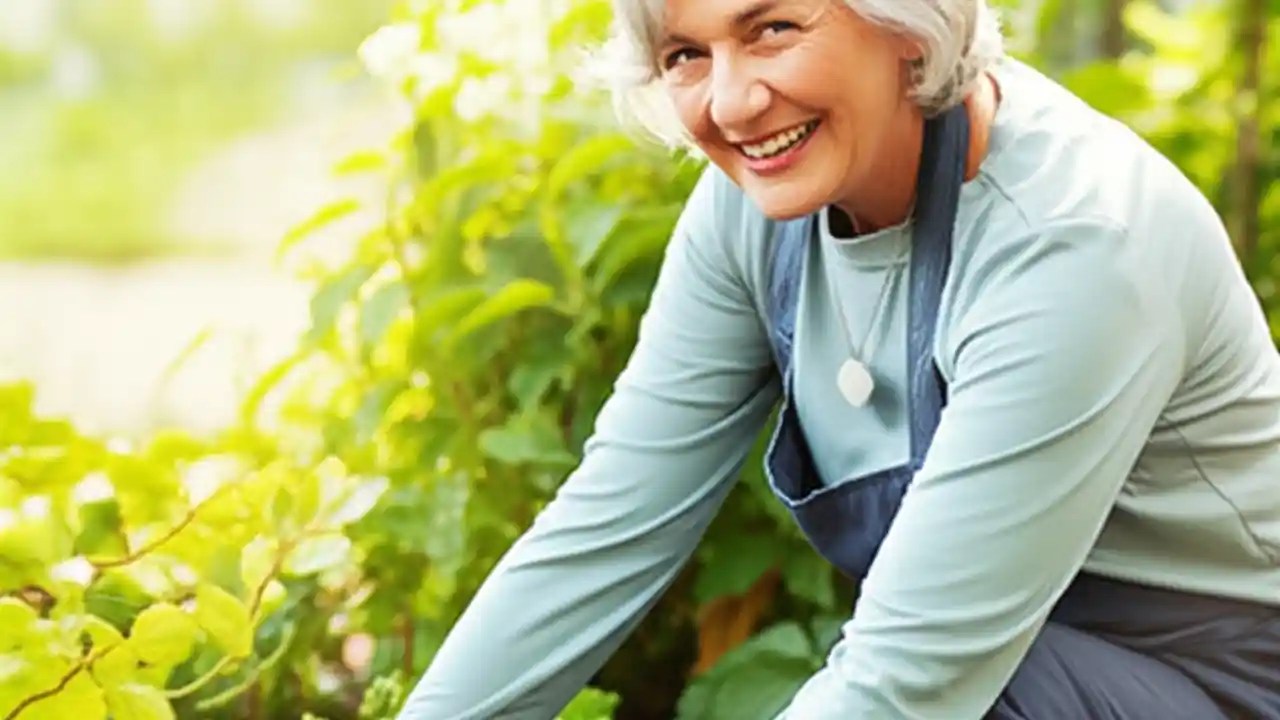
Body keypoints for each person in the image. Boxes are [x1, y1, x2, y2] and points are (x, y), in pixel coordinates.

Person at [398, 0, 1280, 717]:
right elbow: (602, 535)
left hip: (1224, 681)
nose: (733, 102)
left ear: (905, 23)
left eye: (772, 29)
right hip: (1015, 660)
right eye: (685, 55)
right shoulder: (751, 212)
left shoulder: (1073, 245)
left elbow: (908, 684)